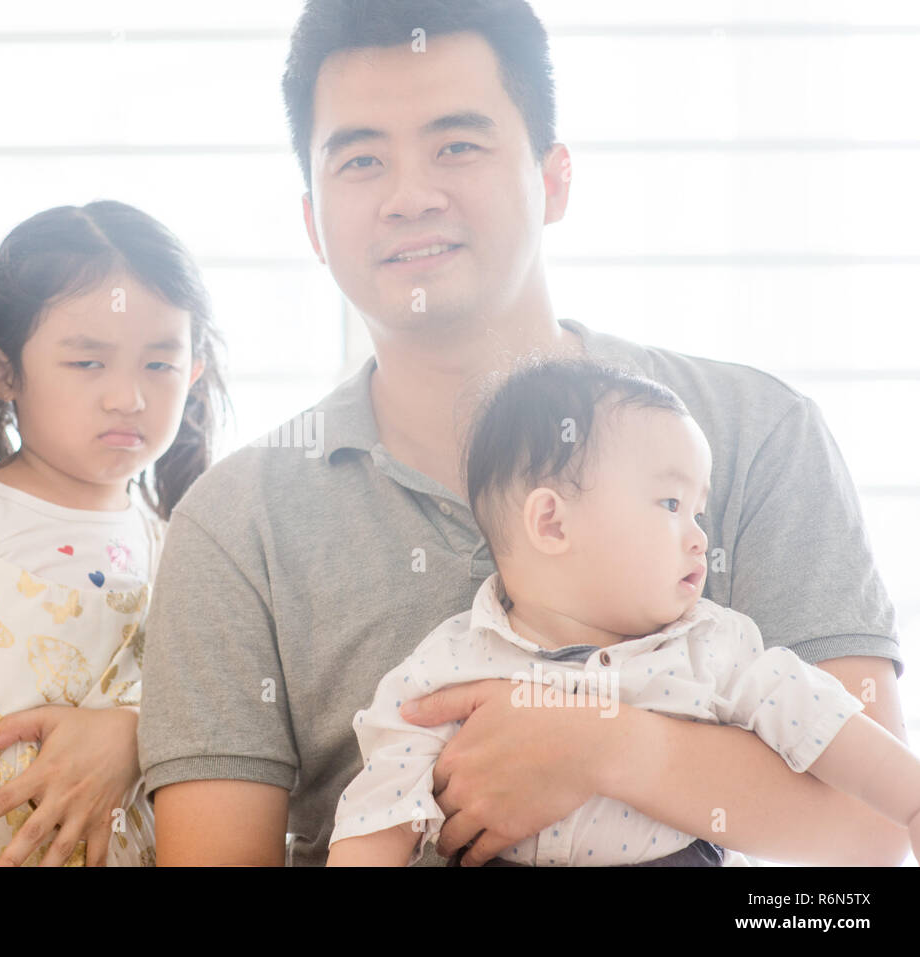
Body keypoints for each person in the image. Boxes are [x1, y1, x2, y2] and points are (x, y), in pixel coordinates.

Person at [137, 0, 910, 866]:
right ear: (313, 223)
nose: (410, 197)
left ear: (553, 179)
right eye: (359, 160)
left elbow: (877, 839)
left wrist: (613, 746)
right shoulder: (236, 524)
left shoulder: (755, 431)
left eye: (457, 145)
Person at [326, 360, 920, 866]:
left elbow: (822, 722)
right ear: (552, 522)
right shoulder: (449, 665)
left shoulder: (714, 647)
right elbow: (382, 805)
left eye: (699, 512)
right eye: (670, 503)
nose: (697, 537)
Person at [0, 202, 229, 866]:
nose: (128, 397)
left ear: (193, 370)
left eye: (160, 365)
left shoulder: (178, 546)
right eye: (88, 363)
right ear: (2, 370)